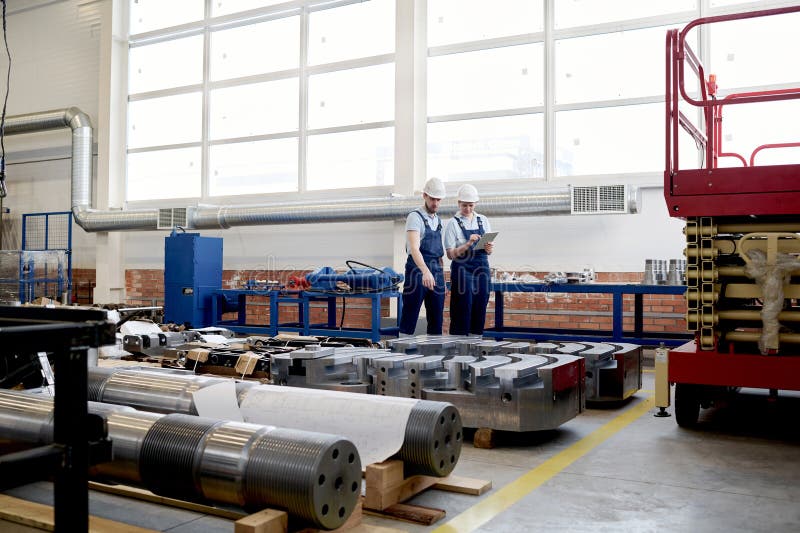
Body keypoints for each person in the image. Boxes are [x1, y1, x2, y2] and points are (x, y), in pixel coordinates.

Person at [399, 177, 447, 335]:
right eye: (433, 199)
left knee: (436, 319)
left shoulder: (438, 220)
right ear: (424, 196)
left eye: (438, 200)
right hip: (417, 271)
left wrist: (442, 279)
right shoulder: (415, 217)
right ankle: (401, 355)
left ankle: (434, 355)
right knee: (410, 316)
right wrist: (425, 271)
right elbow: (413, 248)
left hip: (436, 270)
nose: (436, 203)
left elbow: (439, 252)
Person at [445, 184, 494, 336]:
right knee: (463, 305)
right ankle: (459, 344)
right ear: (458, 203)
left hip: (481, 268)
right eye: (464, 205)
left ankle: (476, 342)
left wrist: (488, 249)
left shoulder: (483, 220)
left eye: (471, 205)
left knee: (480, 303)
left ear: (476, 204)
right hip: (462, 270)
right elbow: (450, 254)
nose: (467, 209)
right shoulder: (453, 224)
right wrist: (468, 244)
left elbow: (489, 251)